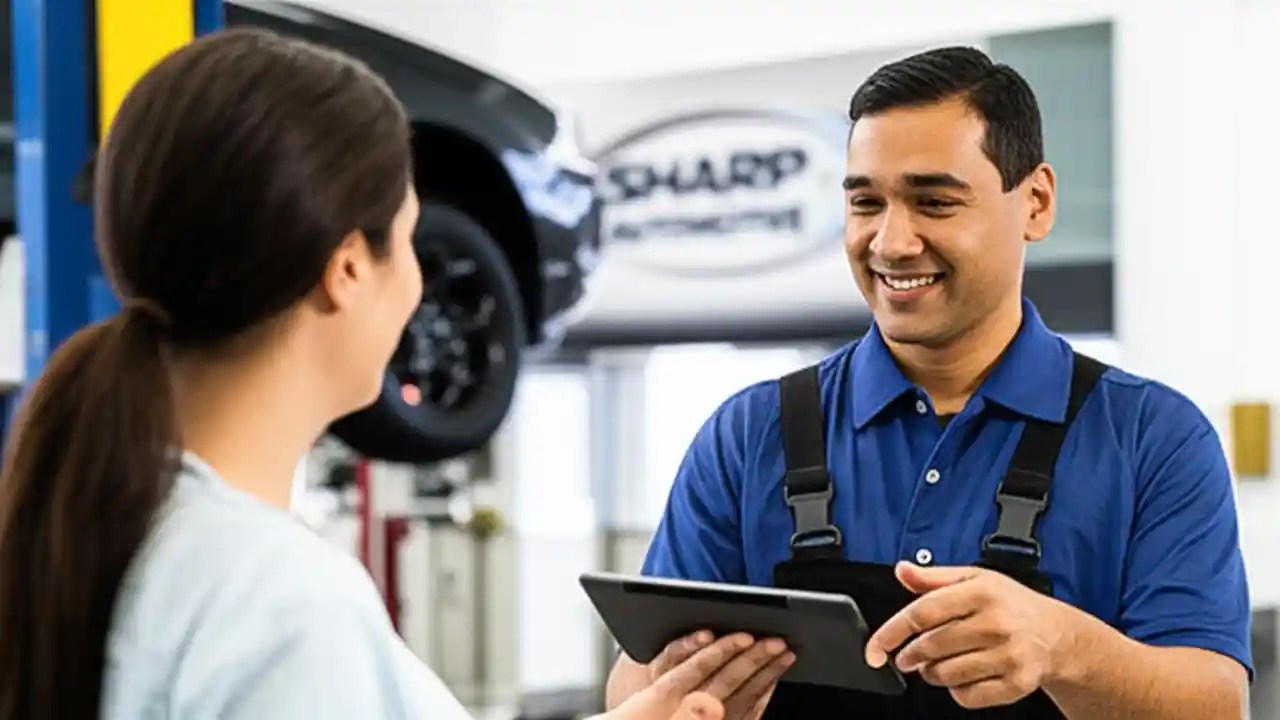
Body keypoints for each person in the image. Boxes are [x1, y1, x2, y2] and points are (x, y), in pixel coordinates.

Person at [0, 29, 795, 720]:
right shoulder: (277, 600)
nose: (418, 285)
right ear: (347, 268)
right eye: (409, 242)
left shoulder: (107, 522)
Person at [605, 46, 1252, 719]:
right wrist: (680, 686)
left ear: (1034, 202)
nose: (891, 241)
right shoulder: (747, 437)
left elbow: (1216, 705)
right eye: (865, 203)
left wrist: (1063, 646)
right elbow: (634, 688)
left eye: (934, 202)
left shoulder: (1154, 440)